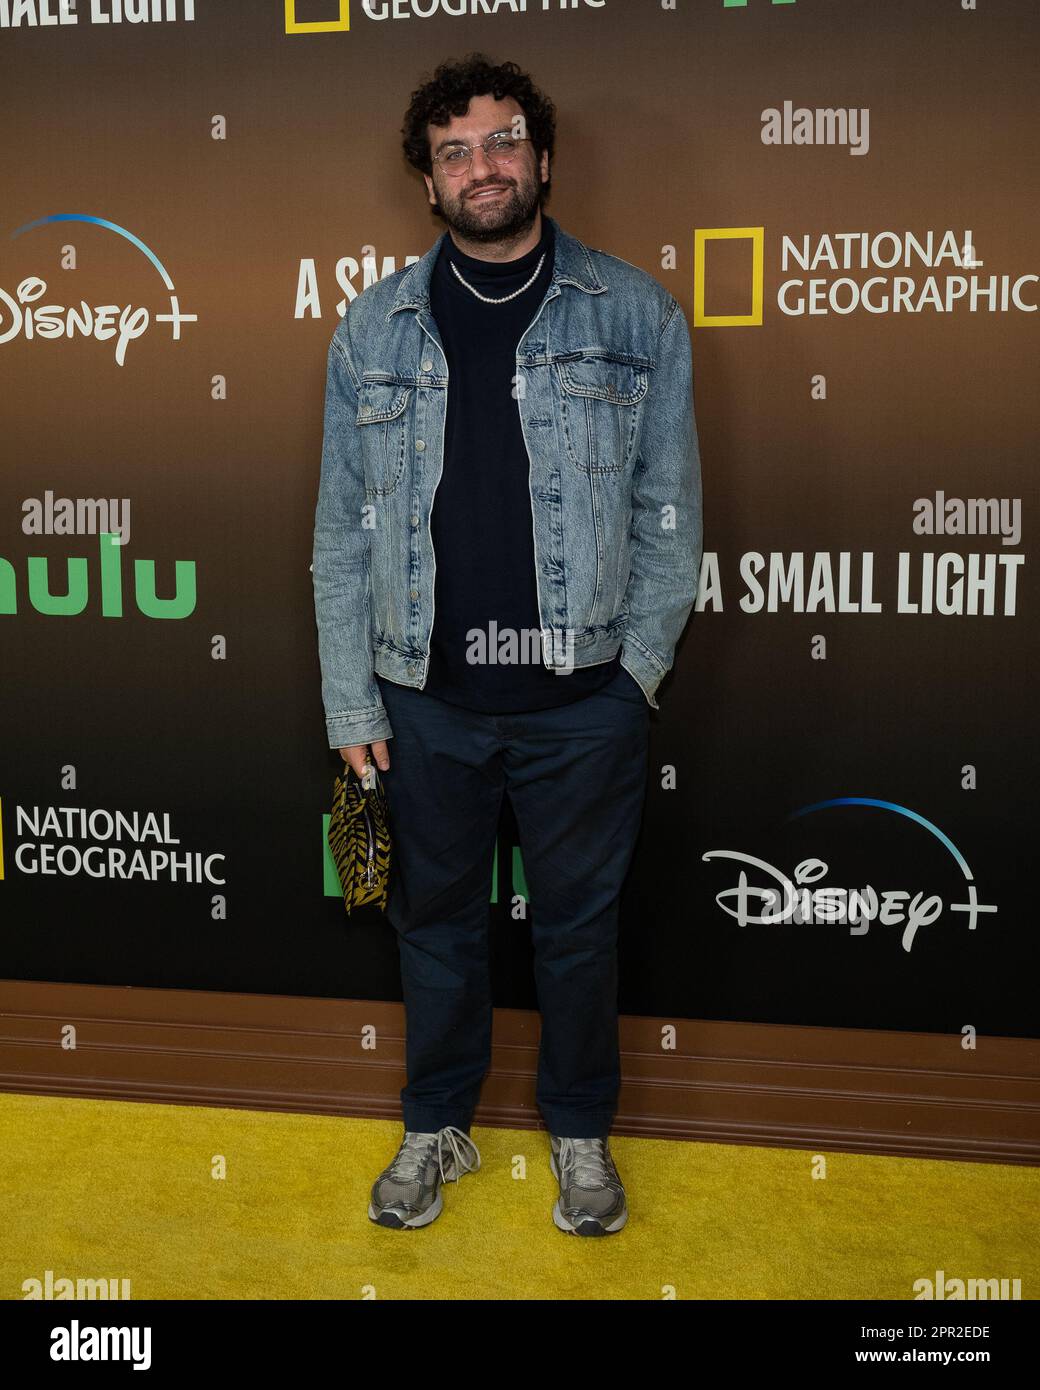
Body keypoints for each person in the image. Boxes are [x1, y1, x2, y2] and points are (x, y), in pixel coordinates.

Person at [312, 53, 703, 1236]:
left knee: (579, 936)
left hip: (581, 701)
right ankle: (435, 1122)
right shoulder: (371, 325)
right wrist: (351, 705)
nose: (481, 166)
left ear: (538, 155)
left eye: (500, 140)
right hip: (421, 693)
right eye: (454, 150)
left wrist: (629, 673)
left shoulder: (633, 311)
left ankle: (579, 1136)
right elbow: (341, 531)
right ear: (428, 184)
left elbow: (668, 512)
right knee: (434, 926)